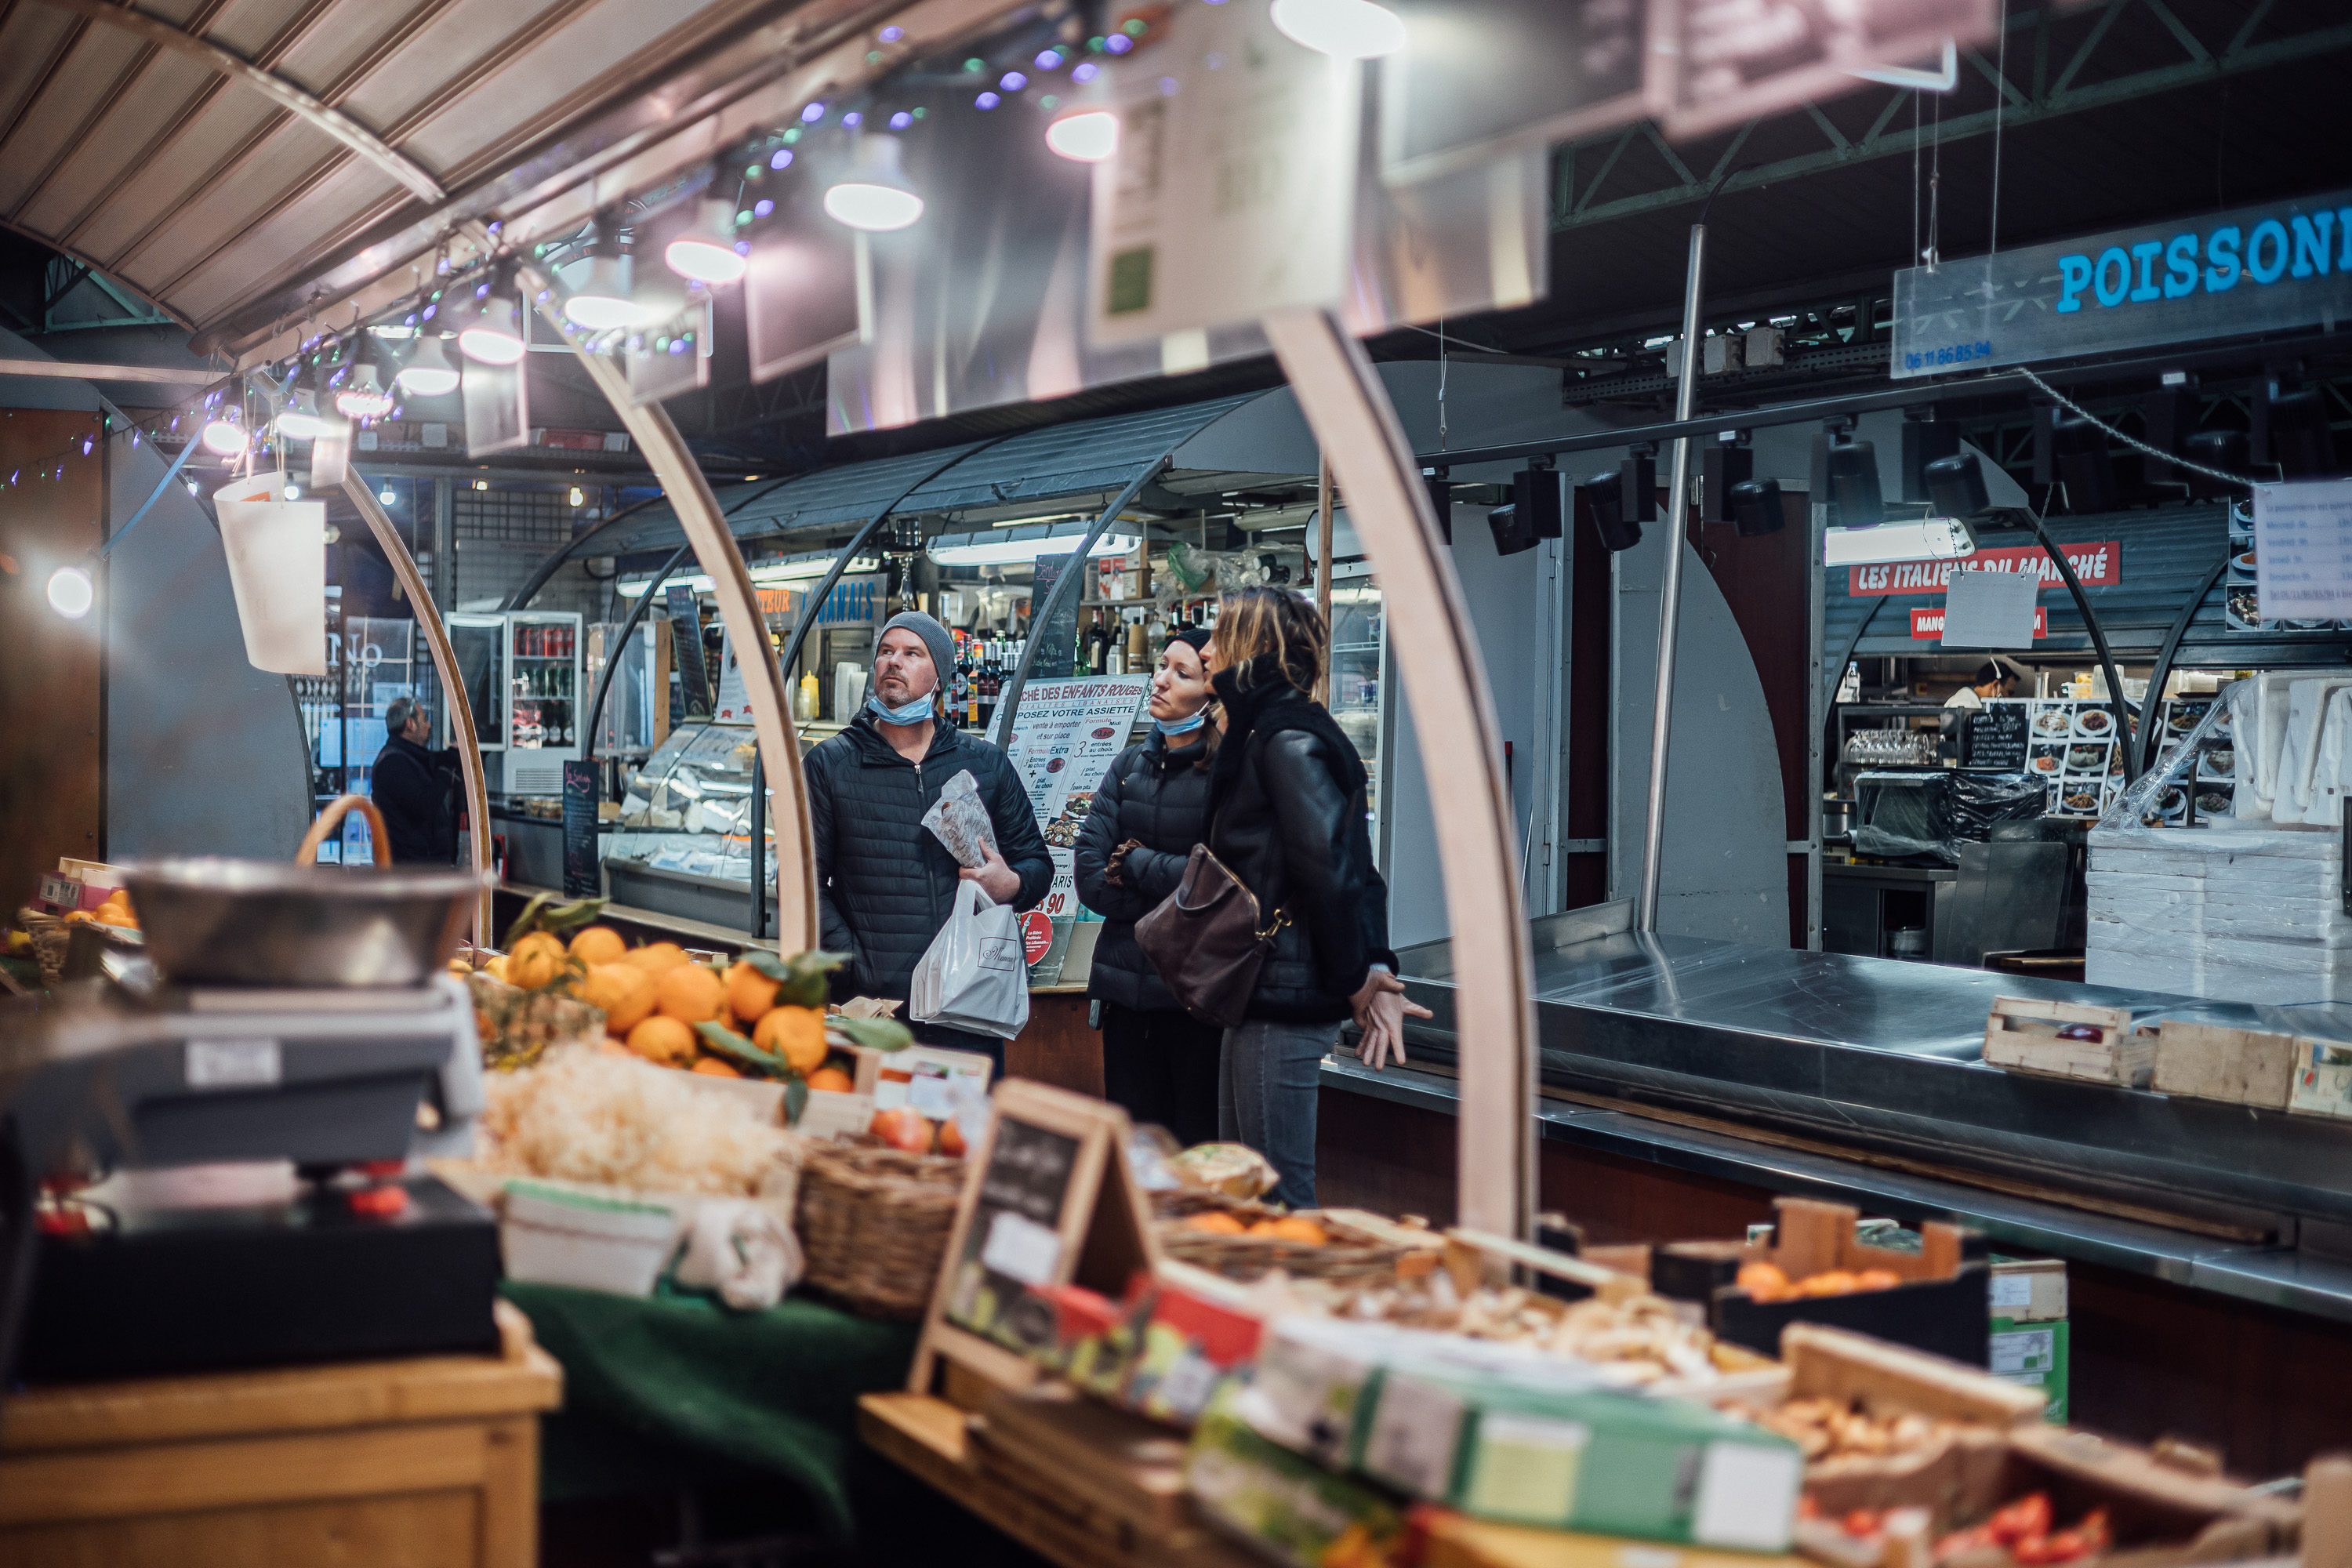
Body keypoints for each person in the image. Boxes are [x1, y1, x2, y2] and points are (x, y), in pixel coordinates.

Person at [1203, 587, 1428, 1208]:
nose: (1208, 650)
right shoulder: (1266, 731)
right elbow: (1359, 866)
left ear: (1252, 648)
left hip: (1286, 998)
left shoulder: (1285, 740)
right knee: (1239, 1198)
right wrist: (1374, 967)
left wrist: (1359, 977)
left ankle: (1289, 1301)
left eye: (1222, 635)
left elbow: (1333, 869)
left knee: (1276, 1198)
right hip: (1259, 992)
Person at [803, 610, 1053, 1068]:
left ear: (939, 676)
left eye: (911, 653)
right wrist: (853, 964)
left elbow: (1037, 864)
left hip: (966, 1002)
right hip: (877, 1010)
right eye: (885, 652)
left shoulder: (985, 764)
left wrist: (1010, 885)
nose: (893, 662)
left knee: (963, 1133)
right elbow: (802, 884)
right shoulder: (830, 764)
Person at [1073, 629, 1221, 1146]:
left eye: (1182, 673)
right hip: (1125, 999)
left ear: (1212, 692)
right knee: (1136, 1161)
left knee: (1195, 1157)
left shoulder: (1228, 773)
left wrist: (1133, 863)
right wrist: (1171, 886)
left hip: (1198, 1002)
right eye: (1162, 665)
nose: (1160, 680)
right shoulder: (1128, 766)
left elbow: (1220, 887)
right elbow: (1090, 878)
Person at [369, 695, 459, 865]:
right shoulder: (393, 763)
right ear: (410, 724)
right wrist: (446, 771)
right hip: (410, 872)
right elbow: (422, 806)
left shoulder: (408, 757)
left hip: (421, 867)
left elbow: (431, 761)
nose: (429, 725)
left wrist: (450, 757)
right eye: (424, 719)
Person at [1944, 657, 2024, 710]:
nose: (2009, 699)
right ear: (1996, 686)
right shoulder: (1966, 706)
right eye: (2009, 693)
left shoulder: (1974, 703)